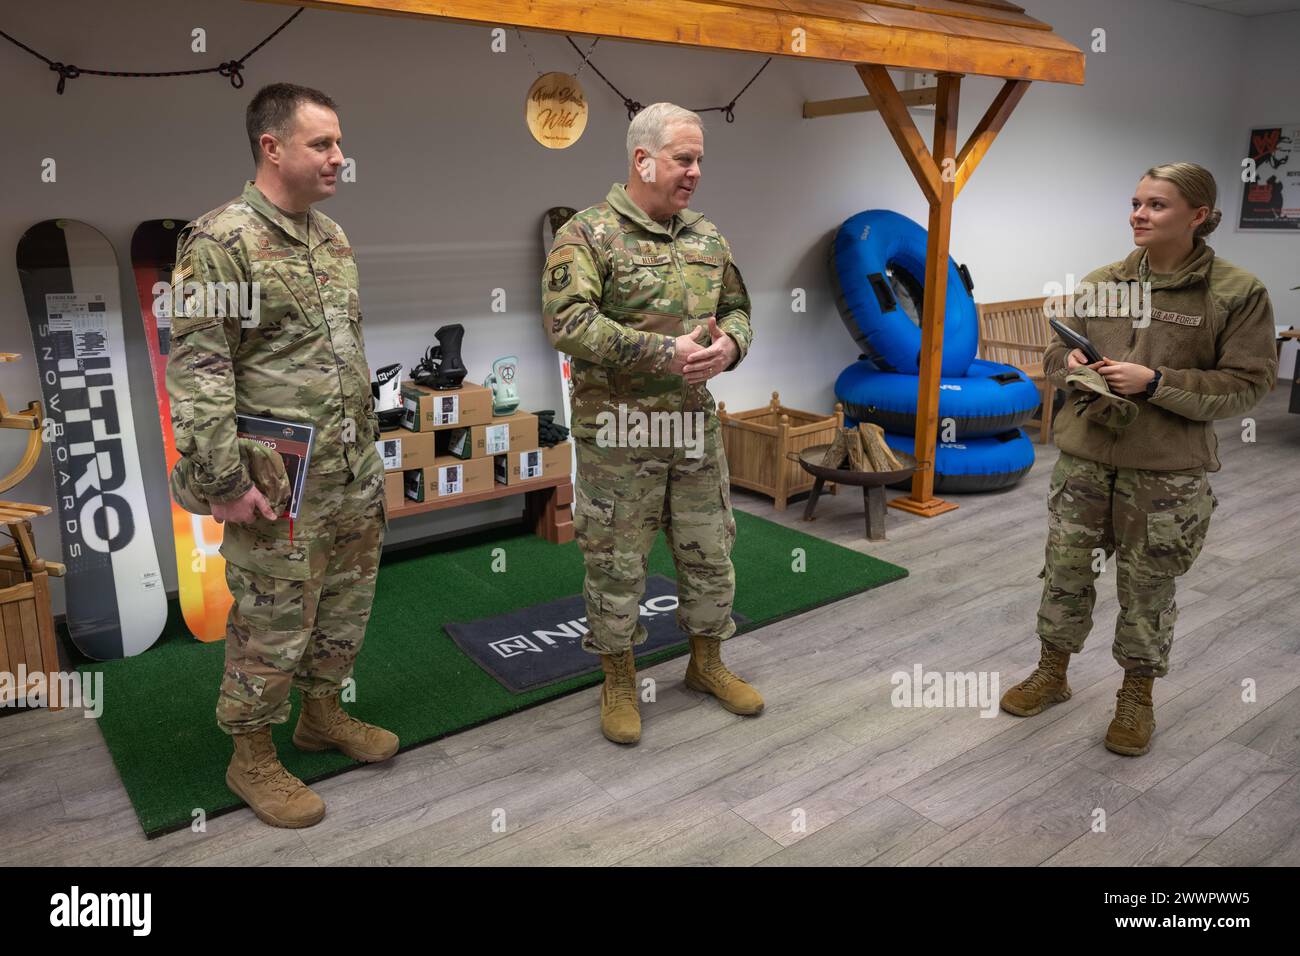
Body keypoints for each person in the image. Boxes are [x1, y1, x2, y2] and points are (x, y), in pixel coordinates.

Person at [166, 82, 396, 828]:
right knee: (271, 623)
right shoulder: (220, 242)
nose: (340, 157)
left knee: (343, 607)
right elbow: (200, 373)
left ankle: (322, 715)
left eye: (339, 142)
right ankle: (252, 758)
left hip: (350, 473)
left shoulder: (330, 238)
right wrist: (223, 480)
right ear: (272, 147)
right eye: (322, 144)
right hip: (276, 485)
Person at [1001, 162, 1278, 756]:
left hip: (1167, 471)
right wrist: (1068, 366)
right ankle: (1053, 671)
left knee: (1148, 585)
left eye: (1156, 205)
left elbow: (1248, 386)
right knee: (1065, 573)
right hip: (1083, 462)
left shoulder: (1237, 293)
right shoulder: (1103, 280)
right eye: (1135, 202)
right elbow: (1056, 350)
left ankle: (1137, 694)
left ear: (1197, 216)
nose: (1138, 214)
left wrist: (1155, 382)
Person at [541, 102, 762, 745]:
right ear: (643, 160)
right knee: (616, 564)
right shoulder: (588, 235)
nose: (695, 172)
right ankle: (617, 680)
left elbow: (740, 309)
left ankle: (707, 664)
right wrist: (663, 352)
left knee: (709, 553)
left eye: (699, 161)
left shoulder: (708, 237)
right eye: (683, 159)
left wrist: (732, 348)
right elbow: (568, 323)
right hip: (621, 440)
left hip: (693, 432)